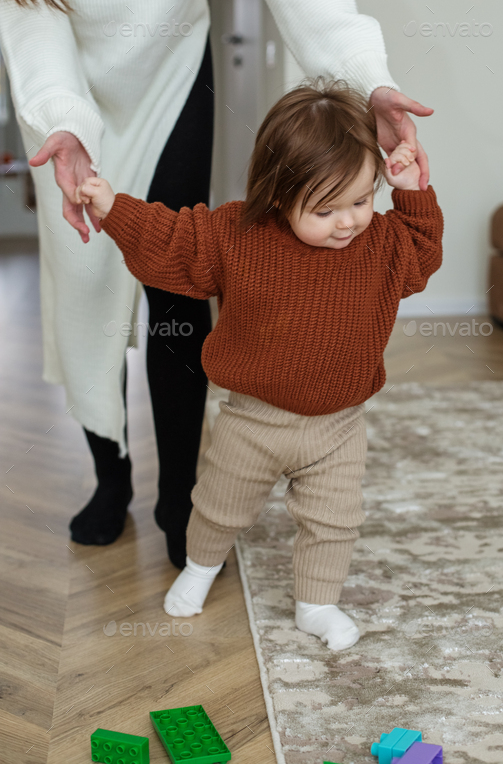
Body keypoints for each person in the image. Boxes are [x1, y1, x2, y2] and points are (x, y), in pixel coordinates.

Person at [0, 0, 434, 569]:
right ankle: (110, 476)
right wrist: (62, 116)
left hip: (174, 70)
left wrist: (363, 74)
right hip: (69, 94)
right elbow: (27, 8)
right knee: (84, 287)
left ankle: (181, 495)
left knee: (180, 285)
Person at [75, 79, 443, 651]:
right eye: (324, 209)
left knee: (335, 521)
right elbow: (172, 239)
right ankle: (197, 570)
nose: (347, 222)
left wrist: (410, 190)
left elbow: (423, 250)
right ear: (276, 194)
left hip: (338, 426)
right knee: (219, 506)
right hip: (252, 422)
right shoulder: (238, 233)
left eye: (361, 201)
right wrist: (111, 207)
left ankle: (316, 606)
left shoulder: (384, 244)